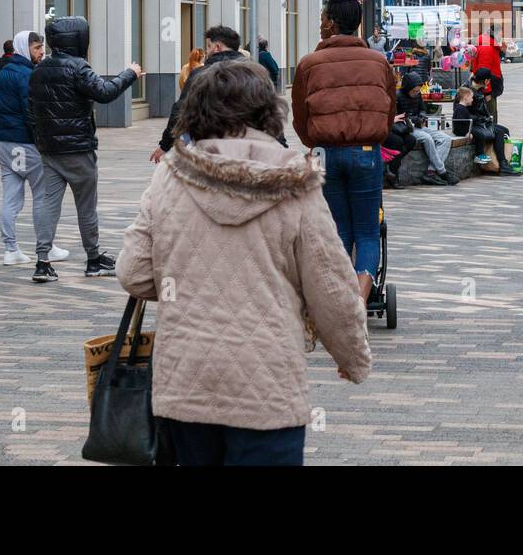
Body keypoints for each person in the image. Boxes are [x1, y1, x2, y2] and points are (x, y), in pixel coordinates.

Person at [117, 59, 371, 466]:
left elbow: (133, 272)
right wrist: (352, 358)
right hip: (267, 386)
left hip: (185, 384)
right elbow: (331, 287)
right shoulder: (296, 181)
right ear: (268, 111)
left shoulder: (170, 175)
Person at [291, 0, 396, 303]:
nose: (320, 25)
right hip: (367, 152)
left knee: (338, 231)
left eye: (323, 20)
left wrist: (317, 141)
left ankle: (339, 300)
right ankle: (359, 300)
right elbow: (389, 112)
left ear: (332, 23)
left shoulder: (309, 64)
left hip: (327, 154)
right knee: (367, 232)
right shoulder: (379, 62)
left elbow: (300, 116)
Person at [28, 16, 143, 283]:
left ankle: (43, 262)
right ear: (78, 39)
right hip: (78, 149)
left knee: (48, 204)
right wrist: (130, 73)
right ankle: (93, 259)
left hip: (49, 150)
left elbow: (31, 111)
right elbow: (105, 92)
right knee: (86, 206)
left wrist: (41, 139)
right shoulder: (78, 68)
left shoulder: (39, 70)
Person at [0, 31, 66, 266]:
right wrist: (45, 141)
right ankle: (46, 247)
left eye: (42, 47)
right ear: (25, 48)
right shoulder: (27, 75)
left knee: (10, 199)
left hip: (5, 143)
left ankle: (10, 249)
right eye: (36, 47)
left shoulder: (3, 72)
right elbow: (31, 113)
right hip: (27, 143)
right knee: (42, 197)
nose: (41, 52)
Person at [154, 25, 245, 161]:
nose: (207, 52)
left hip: (207, 148)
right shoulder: (255, 74)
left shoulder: (201, 75)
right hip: (244, 147)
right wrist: (279, 145)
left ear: (217, 47)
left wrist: (165, 145)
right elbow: (268, 110)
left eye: (208, 46)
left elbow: (180, 110)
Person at [396, 71, 457, 186]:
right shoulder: (398, 96)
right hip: (407, 128)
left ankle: (431, 172)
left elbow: (422, 109)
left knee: (445, 139)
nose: (416, 92)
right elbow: (398, 116)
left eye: (418, 90)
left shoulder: (418, 95)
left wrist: (422, 116)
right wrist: (414, 119)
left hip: (419, 126)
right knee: (427, 138)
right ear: (407, 87)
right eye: (414, 90)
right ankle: (442, 172)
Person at [459, 69, 521, 172]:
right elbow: (460, 110)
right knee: (499, 132)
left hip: (481, 122)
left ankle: (505, 162)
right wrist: (480, 119)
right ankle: (502, 164)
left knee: (504, 130)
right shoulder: (467, 90)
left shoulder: (478, 88)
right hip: (472, 125)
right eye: (489, 80)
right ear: (486, 81)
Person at [475, 31, 504, 120]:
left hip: (491, 85)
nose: (501, 37)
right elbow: (483, 72)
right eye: (500, 34)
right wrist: (487, 91)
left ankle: (492, 131)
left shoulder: (490, 45)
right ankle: (491, 132)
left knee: (491, 113)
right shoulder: (486, 48)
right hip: (488, 88)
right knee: (490, 114)